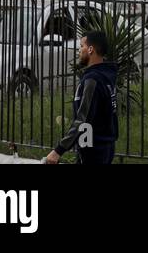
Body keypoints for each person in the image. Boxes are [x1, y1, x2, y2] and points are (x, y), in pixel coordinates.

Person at [46, 31, 118, 165]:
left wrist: (58, 150)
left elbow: (83, 119)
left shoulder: (93, 80)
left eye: (81, 46)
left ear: (90, 49)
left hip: (93, 149)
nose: (79, 50)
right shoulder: (106, 76)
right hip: (103, 147)